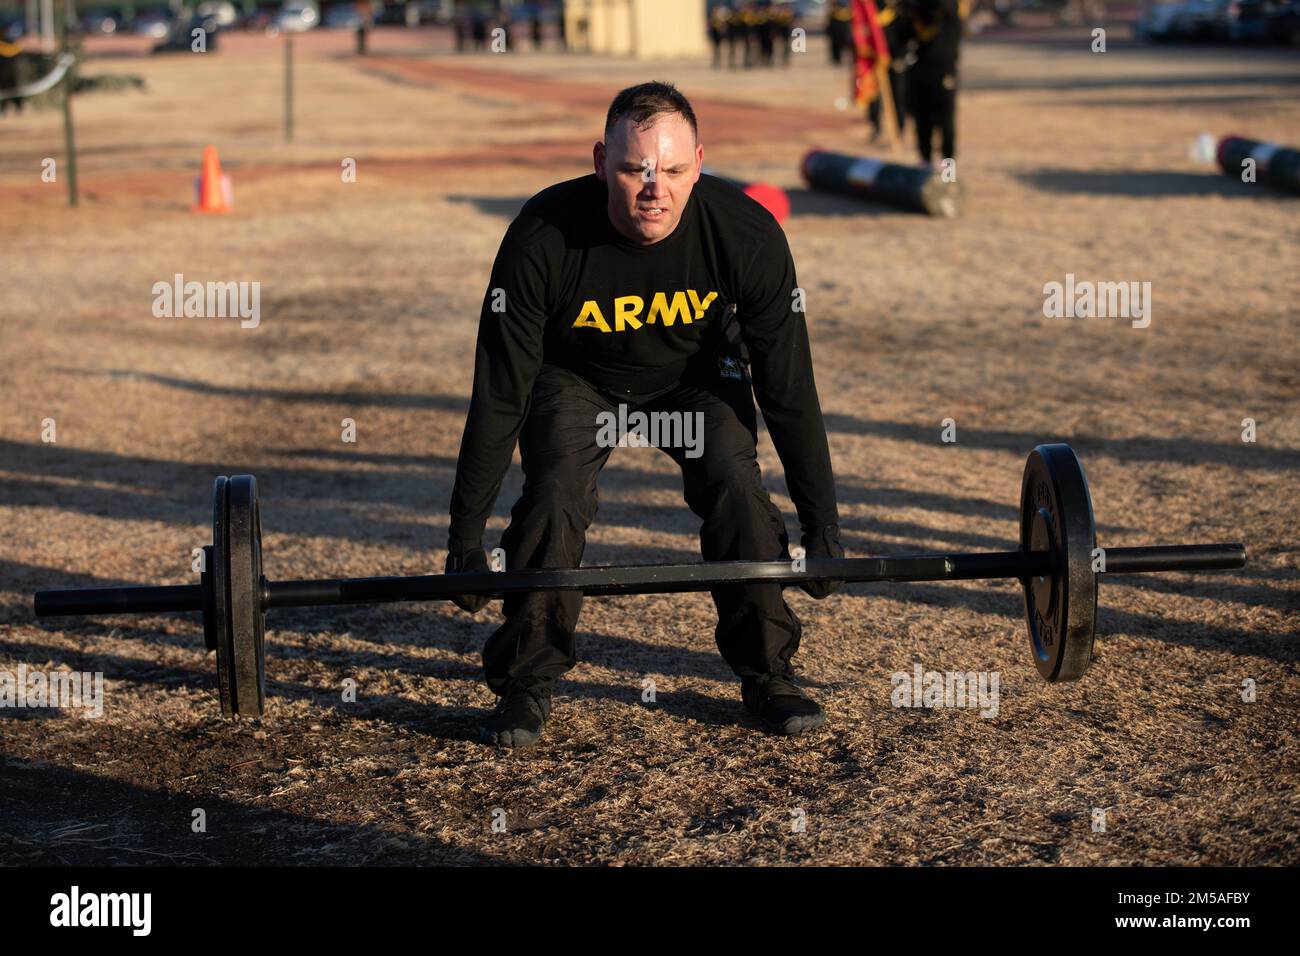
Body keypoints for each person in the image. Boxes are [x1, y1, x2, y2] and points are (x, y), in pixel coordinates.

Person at [446, 82, 843, 748]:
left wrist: (822, 525)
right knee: (555, 491)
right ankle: (526, 680)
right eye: (635, 169)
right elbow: (500, 394)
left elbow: (789, 389)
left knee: (734, 479)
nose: (655, 188)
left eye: (676, 170)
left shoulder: (746, 235)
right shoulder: (542, 237)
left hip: (691, 381)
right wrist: (465, 537)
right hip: (577, 380)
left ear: (701, 162)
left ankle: (768, 672)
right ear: (602, 161)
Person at [903, 0, 962, 165]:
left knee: (946, 124)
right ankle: (925, 164)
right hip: (919, 71)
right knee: (922, 121)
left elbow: (942, 7)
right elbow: (903, 34)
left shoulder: (949, 9)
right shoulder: (913, 10)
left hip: (944, 71)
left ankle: (948, 173)